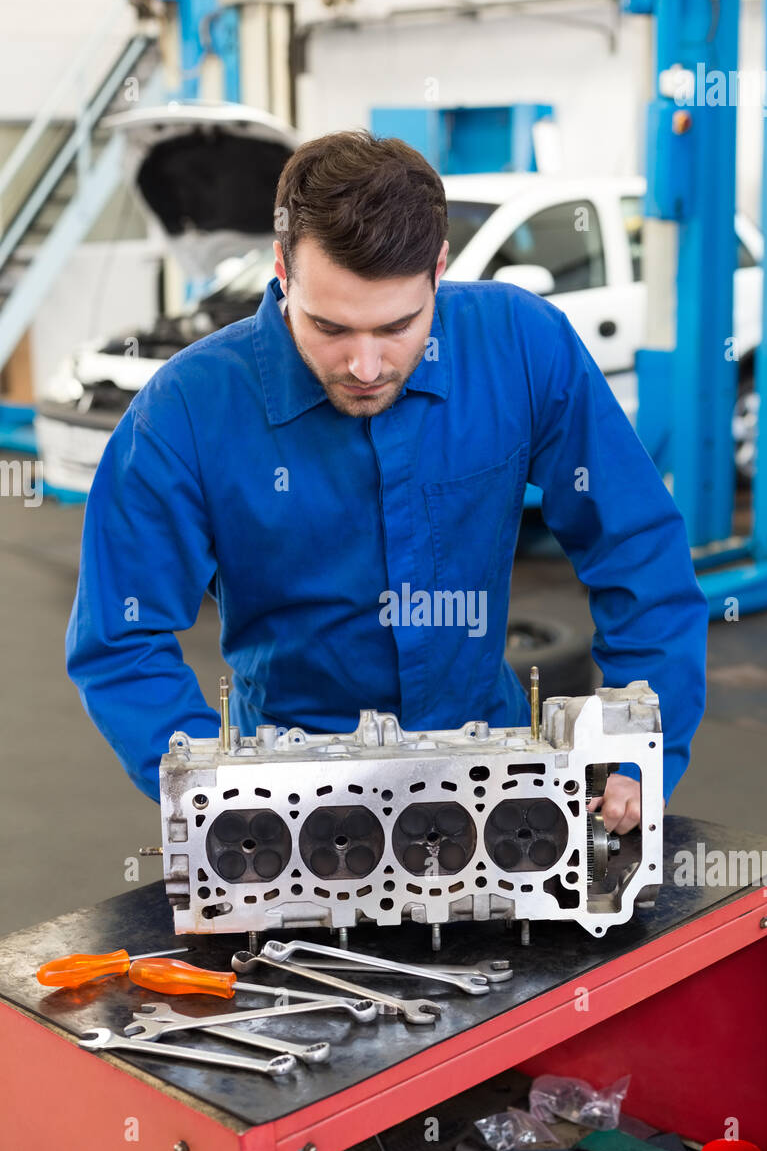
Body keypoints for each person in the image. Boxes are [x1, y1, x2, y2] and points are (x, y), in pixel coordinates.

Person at [66, 130, 708, 835]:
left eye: (397, 327)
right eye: (331, 327)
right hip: (292, 799)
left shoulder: (521, 345)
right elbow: (122, 640)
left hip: (490, 777)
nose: (366, 365)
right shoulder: (184, 412)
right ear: (281, 268)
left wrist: (640, 743)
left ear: (438, 269)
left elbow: (637, 543)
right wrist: (216, 798)